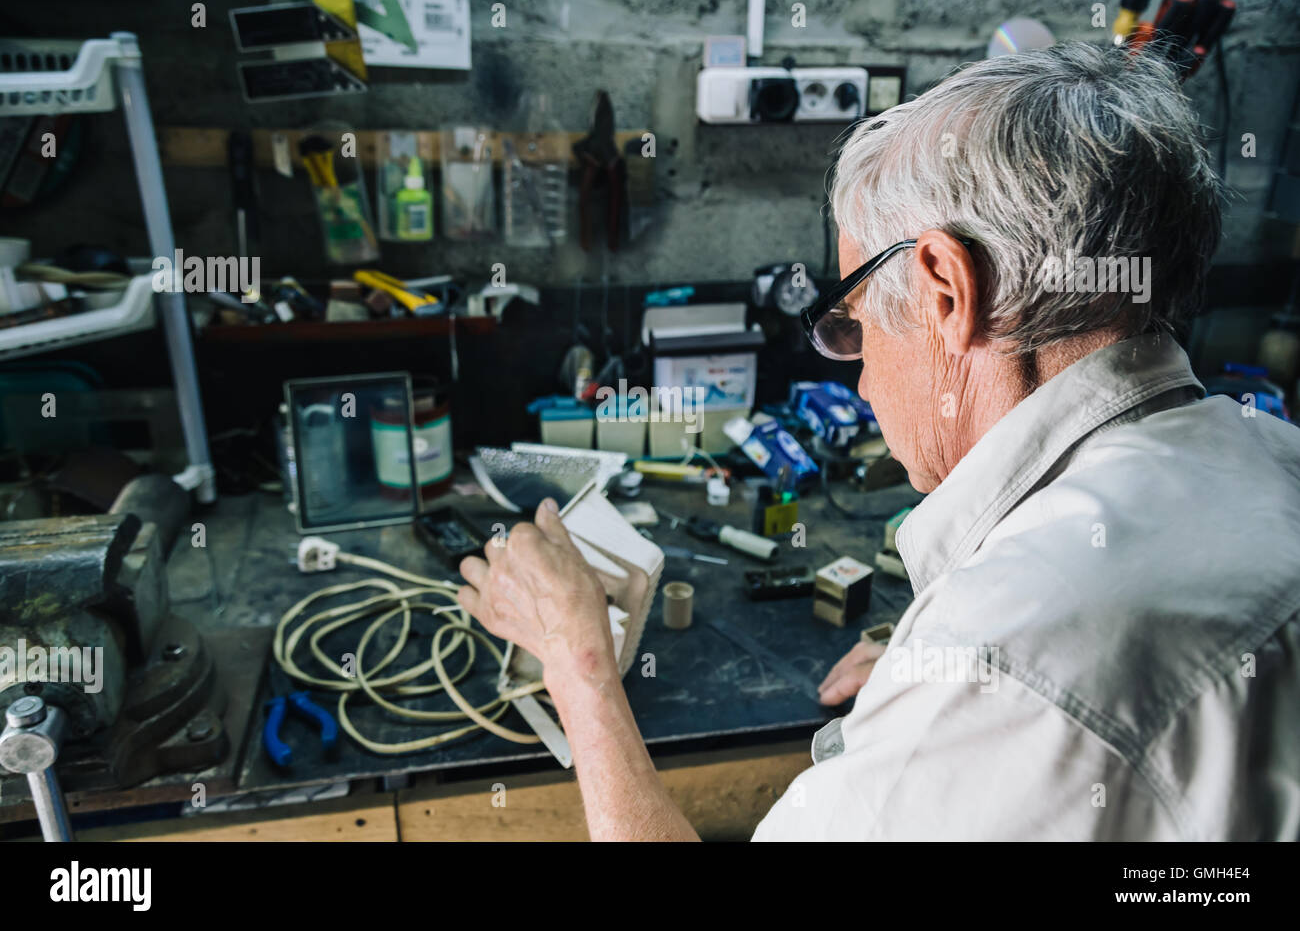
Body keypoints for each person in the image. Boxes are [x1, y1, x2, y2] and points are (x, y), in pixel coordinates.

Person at [458, 43, 1300, 840]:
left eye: (854, 324)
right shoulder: (1275, 456)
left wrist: (578, 665)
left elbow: (1050, 668)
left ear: (944, 292)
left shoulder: (1005, 663)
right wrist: (928, 661)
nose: (859, 381)